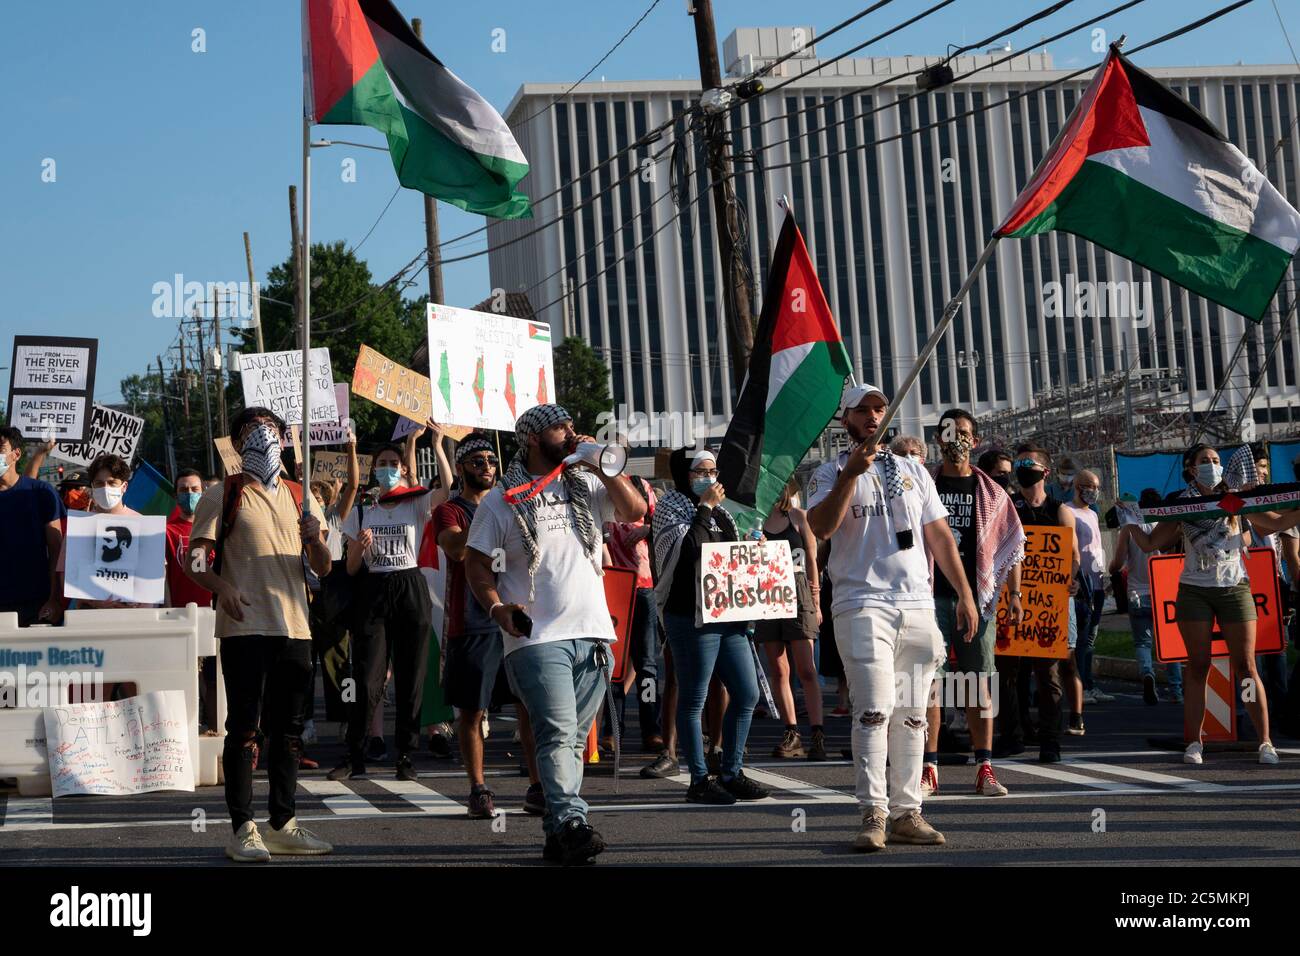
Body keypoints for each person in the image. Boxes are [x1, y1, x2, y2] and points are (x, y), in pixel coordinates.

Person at [465, 404, 646, 866]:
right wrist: (497, 607)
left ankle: (557, 833)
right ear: (531, 438)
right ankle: (572, 819)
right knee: (558, 731)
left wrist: (601, 466)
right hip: (536, 638)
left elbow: (634, 509)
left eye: (570, 424)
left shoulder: (583, 483)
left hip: (592, 632)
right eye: (559, 427)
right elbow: (476, 562)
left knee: (570, 741)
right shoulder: (501, 499)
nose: (569, 432)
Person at [806, 384, 974, 851]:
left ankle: (907, 812)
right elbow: (820, 528)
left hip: (917, 604)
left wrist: (963, 592)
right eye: (864, 410)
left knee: (913, 716)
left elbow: (939, 535)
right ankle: (873, 813)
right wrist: (848, 478)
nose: (874, 415)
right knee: (875, 710)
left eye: (880, 408)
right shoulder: (828, 472)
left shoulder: (913, 470)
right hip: (862, 604)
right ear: (847, 420)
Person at [185, 406, 333, 862]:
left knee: (289, 733)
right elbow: (193, 560)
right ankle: (242, 828)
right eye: (252, 431)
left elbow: (322, 570)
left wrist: (315, 537)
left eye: (271, 430)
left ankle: (283, 823)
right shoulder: (221, 494)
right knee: (244, 730)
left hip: (295, 628)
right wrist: (221, 586)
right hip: (245, 628)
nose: (263, 437)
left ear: (285, 439)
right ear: (236, 442)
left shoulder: (301, 495)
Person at [1126, 443, 1300, 765]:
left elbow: (1272, 524)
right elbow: (1152, 542)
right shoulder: (1180, 504)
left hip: (1234, 587)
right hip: (1194, 590)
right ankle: (1194, 742)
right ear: (1191, 468)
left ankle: (1265, 741)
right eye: (1204, 461)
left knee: (1246, 666)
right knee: (1198, 665)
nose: (1212, 465)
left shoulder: (1233, 498)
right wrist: (1129, 520)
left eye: (1216, 460)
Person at [330, 422, 453, 782]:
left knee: (411, 676)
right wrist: (360, 548)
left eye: (391, 463)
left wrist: (438, 445)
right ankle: (355, 753)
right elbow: (351, 568)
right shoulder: (364, 508)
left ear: (401, 468)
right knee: (367, 679)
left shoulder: (413, 501)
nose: (385, 468)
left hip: (409, 586)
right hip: (373, 590)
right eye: (380, 463)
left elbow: (446, 489)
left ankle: (405, 755)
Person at [434, 432, 543, 819]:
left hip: (513, 619)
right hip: (473, 623)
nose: (487, 468)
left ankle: (537, 786)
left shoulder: (508, 505)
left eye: (491, 461)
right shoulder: (450, 511)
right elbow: (455, 548)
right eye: (477, 461)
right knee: (472, 712)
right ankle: (478, 788)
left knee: (527, 706)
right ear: (461, 466)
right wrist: (488, 513)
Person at [653, 448, 770, 805]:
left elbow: (727, 558)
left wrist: (752, 547)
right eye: (700, 471)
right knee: (694, 698)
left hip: (725, 615)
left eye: (713, 470)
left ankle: (731, 770)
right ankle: (699, 779)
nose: (709, 477)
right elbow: (689, 551)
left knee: (747, 693)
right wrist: (702, 508)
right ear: (683, 475)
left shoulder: (722, 512)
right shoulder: (670, 508)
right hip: (689, 616)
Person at [921, 409, 1024, 798]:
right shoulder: (924, 486)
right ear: (938, 440)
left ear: (975, 440)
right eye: (949, 433)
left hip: (977, 602)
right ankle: (929, 768)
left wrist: (1013, 595)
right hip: (930, 597)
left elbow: (1011, 547)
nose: (956, 440)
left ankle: (984, 766)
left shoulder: (993, 494)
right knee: (930, 684)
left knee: (979, 683)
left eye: (964, 433)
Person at [995, 443, 1077, 761]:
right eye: (1018, 464)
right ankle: (1012, 734)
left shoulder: (1060, 511)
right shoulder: (1008, 507)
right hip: (1009, 599)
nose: (1021, 469)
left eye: (1028, 464)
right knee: (1009, 673)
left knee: (1048, 675)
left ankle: (1050, 740)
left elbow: (1072, 557)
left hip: (1047, 604)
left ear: (1045, 471)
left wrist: (1071, 579)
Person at [756, 476, 827, 761]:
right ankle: (792, 732)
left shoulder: (799, 517)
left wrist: (816, 601)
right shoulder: (757, 521)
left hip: (798, 592)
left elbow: (813, 560)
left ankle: (818, 734)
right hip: (768, 593)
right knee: (779, 670)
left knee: (806, 669)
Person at [602, 472, 664, 755]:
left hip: (643, 587)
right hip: (613, 586)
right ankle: (612, 731)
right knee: (613, 667)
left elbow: (661, 520)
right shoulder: (601, 485)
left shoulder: (642, 484)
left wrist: (647, 529)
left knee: (647, 665)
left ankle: (651, 729)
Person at [1110, 488, 1182, 706]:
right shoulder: (1166, 527)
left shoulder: (1130, 529)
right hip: (1164, 591)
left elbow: (1118, 563)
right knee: (1170, 643)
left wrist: (1112, 569)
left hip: (1137, 593)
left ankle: (1147, 673)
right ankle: (1176, 689)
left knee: (1143, 642)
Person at [0, 427, 65, 626]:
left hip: (36, 606)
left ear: (16, 454)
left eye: (0, 448)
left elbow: (56, 552)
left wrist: (55, 599)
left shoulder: (41, 493)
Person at [1065, 469, 1111, 704]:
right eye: (1088, 486)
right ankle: (1080, 686)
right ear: (1077, 486)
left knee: (1090, 638)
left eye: (1096, 487)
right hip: (1081, 584)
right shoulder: (1068, 511)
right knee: (1080, 639)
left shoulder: (1092, 513)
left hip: (1097, 583)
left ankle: (1088, 684)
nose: (1092, 491)